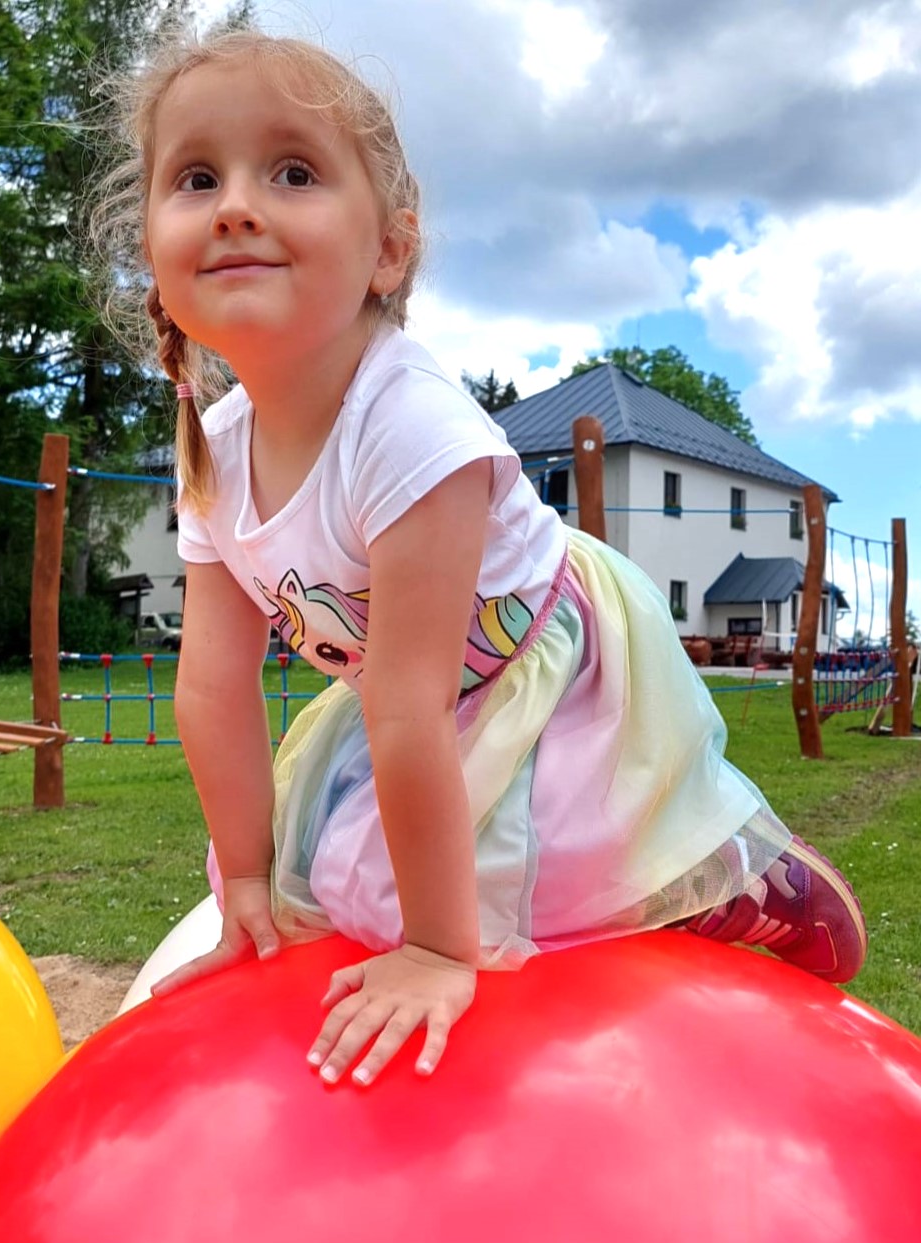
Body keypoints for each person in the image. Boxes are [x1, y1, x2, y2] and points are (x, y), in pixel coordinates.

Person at [91, 26, 868, 1088]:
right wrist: (244, 887)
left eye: (291, 171)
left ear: (388, 250)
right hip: (408, 689)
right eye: (194, 176)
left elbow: (406, 706)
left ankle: (737, 879)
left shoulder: (408, 423)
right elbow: (211, 689)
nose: (234, 202)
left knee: (542, 870)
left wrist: (436, 950)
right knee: (341, 879)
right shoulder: (214, 456)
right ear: (153, 249)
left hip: (540, 662)